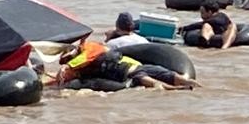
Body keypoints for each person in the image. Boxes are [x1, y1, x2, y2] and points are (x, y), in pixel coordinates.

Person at [55, 40, 199, 91]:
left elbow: (85, 57)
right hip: (137, 67)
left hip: (131, 72)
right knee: (174, 77)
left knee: (157, 83)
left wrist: (67, 66)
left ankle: (178, 89)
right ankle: (188, 87)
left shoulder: (89, 49)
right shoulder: (90, 60)